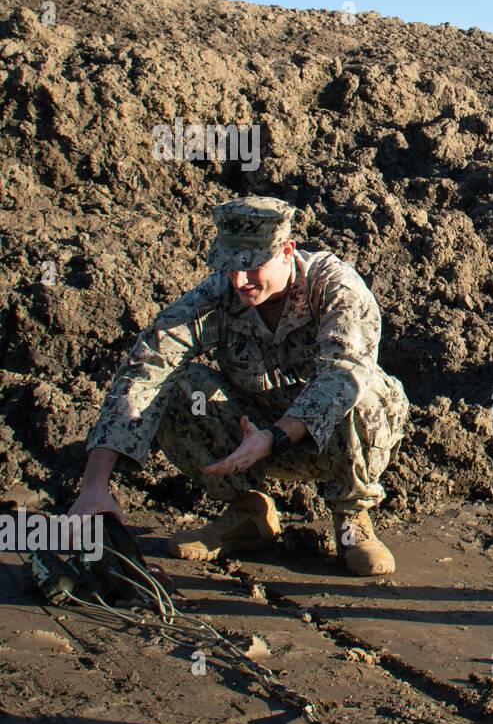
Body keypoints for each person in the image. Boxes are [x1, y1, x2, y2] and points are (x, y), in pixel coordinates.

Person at [71, 197, 410, 576]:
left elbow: (343, 374)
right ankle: (248, 513)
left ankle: (351, 519)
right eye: (230, 267)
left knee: (366, 389)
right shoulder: (219, 294)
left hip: (327, 441)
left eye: (252, 268)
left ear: (287, 251)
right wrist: (94, 484)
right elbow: (147, 365)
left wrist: (273, 437)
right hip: (247, 438)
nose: (240, 281)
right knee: (176, 384)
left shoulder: (334, 287)